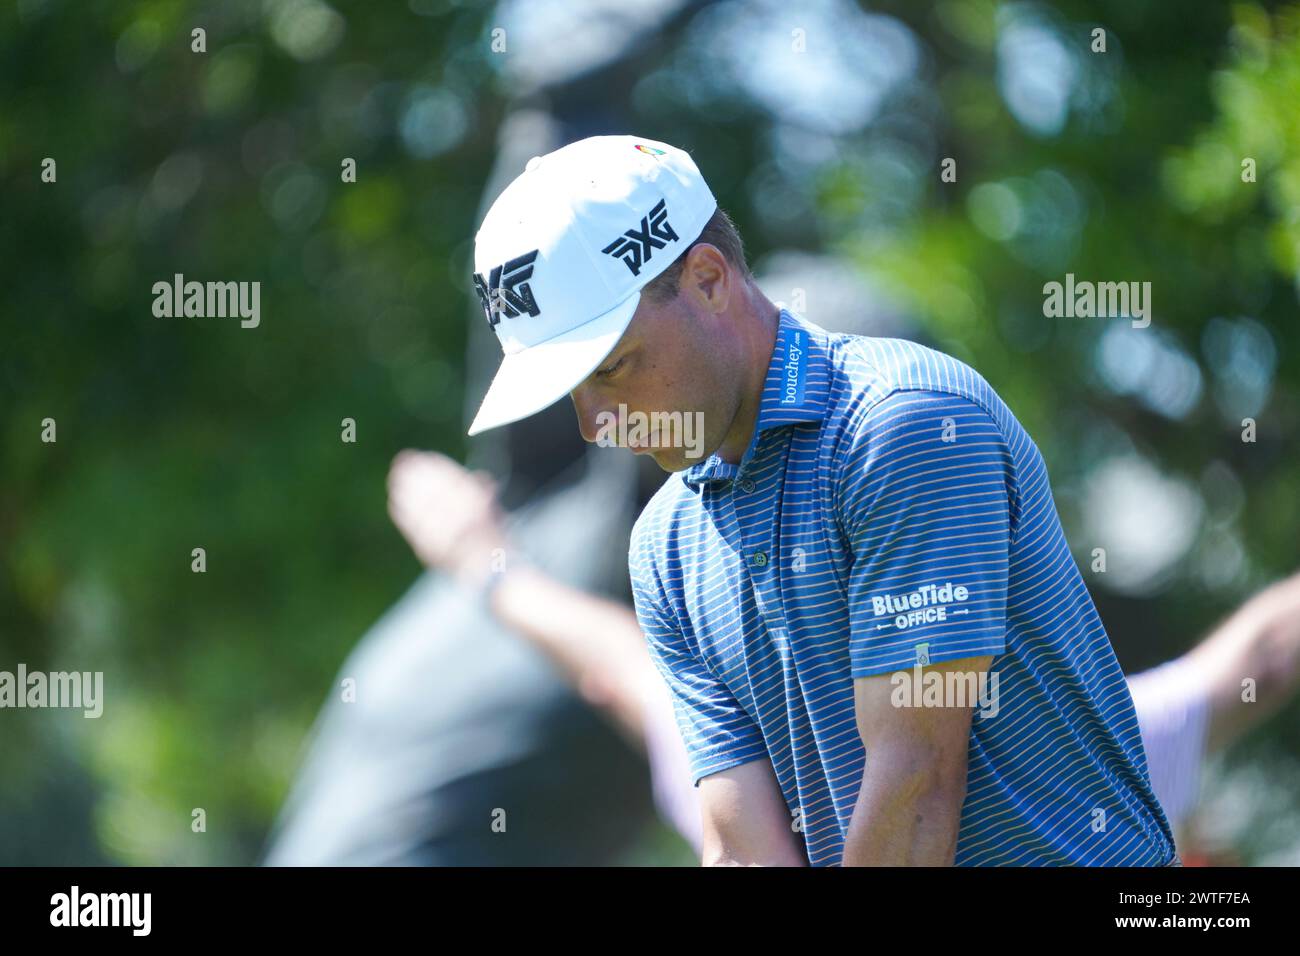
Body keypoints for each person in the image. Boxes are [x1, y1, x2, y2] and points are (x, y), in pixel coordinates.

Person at [462, 133, 1177, 865]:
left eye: (612, 367)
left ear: (708, 278)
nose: (594, 422)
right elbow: (742, 847)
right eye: (570, 392)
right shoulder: (665, 548)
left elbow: (918, 789)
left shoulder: (906, 425)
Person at [388, 449, 1300, 865]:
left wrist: (481, 560)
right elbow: (1262, 650)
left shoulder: (725, 754)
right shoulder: (1077, 755)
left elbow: (610, 660)